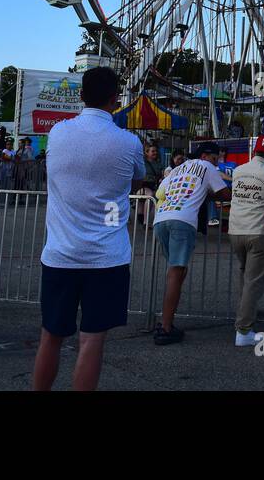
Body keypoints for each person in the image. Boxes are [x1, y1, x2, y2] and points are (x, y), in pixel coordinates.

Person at [33, 67, 146, 391]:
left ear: (81, 95)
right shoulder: (128, 142)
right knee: (92, 340)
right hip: (107, 258)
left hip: (60, 254)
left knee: (50, 336)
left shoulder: (58, 133)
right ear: (116, 99)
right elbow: (134, 181)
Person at [151, 141, 230, 345]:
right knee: (175, 274)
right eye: (215, 158)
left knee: (176, 272)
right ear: (205, 156)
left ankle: (167, 321)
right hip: (182, 220)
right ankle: (165, 326)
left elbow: (160, 193)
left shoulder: (177, 169)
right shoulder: (207, 167)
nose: (217, 162)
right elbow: (224, 194)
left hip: (162, 218)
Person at [229, 134, 264, 346]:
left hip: (235, 230)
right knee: (253, 282)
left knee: (244, 278)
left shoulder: (238, 171)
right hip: (258, 232)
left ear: (254, 152)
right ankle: (243, 330)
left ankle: (244, 319)